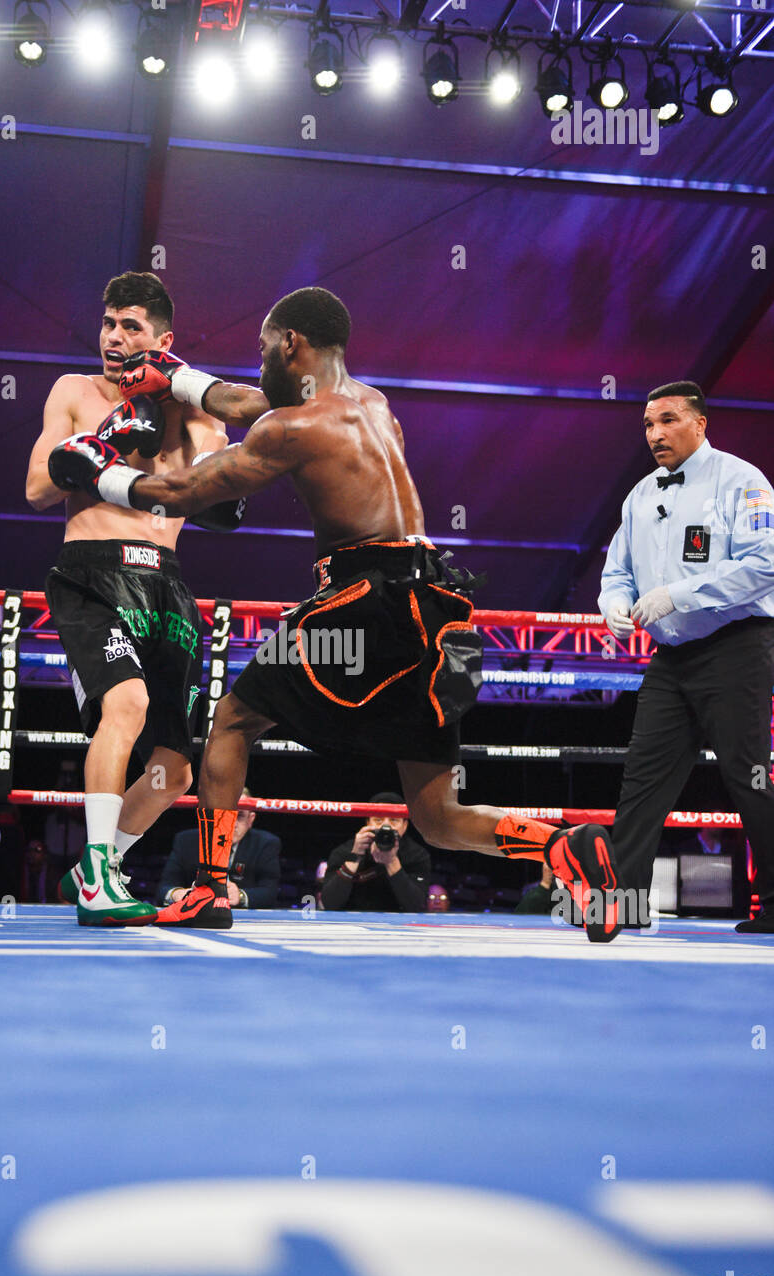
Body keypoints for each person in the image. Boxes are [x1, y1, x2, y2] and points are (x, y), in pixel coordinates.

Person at [49, 286, 625, 942]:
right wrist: (180, 379)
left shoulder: (296, 427)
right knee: (435, 814)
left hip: (363, 605)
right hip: (439, 615)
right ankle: (562, 849)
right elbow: (244, 401)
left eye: (264, 348)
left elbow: (185, 490)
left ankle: (210, 887)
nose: (259, 361)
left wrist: (98, 476)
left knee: (232, 722)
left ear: (290, 344)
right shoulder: (373, 405)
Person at [27, 270, 268, 926]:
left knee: (173, 770)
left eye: (131, 325)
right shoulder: (74, 392)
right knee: (125, 704)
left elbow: (225, 498)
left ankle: (100, 863)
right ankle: (100, 877)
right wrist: (107, 436)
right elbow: (37, 488)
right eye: (108, 322)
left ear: (161, 340)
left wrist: (184, 414)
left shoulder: (192, 409)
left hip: (164, 583)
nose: (115, 336)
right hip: (92, 571)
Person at [599, 381, 774, 933]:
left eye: (668, 420)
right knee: (643, 778)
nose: (656, 434)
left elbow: (766, 561)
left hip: (736, 647)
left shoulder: (741, 481)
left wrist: (680, 594)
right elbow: (617, 571)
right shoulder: (639, 494)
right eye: (649, 424)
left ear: (700, 423)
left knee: (749, 777)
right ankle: (626, 903)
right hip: (671, 658)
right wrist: (612, 601)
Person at [159, 791, 281, 909]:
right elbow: (164, 887)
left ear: (250, 820)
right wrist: (176, 894)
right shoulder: (186, 841)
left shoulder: (265, 843)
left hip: (243, 919)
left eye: (240, 816)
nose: (231, 823)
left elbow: (270, 892)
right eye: (224, 814)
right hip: (196, 913)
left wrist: (240, 896)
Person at [319, 792, 430, 913]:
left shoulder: (417, 855)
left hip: (399, 925)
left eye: (394, 820)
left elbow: (416, 906)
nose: (386, 826)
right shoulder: (345, 851)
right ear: (368, 823)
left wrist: (392, 862)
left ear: (405, 825)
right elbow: (330, 904)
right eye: (378, 820)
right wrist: (354, 857)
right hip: (353, 923)